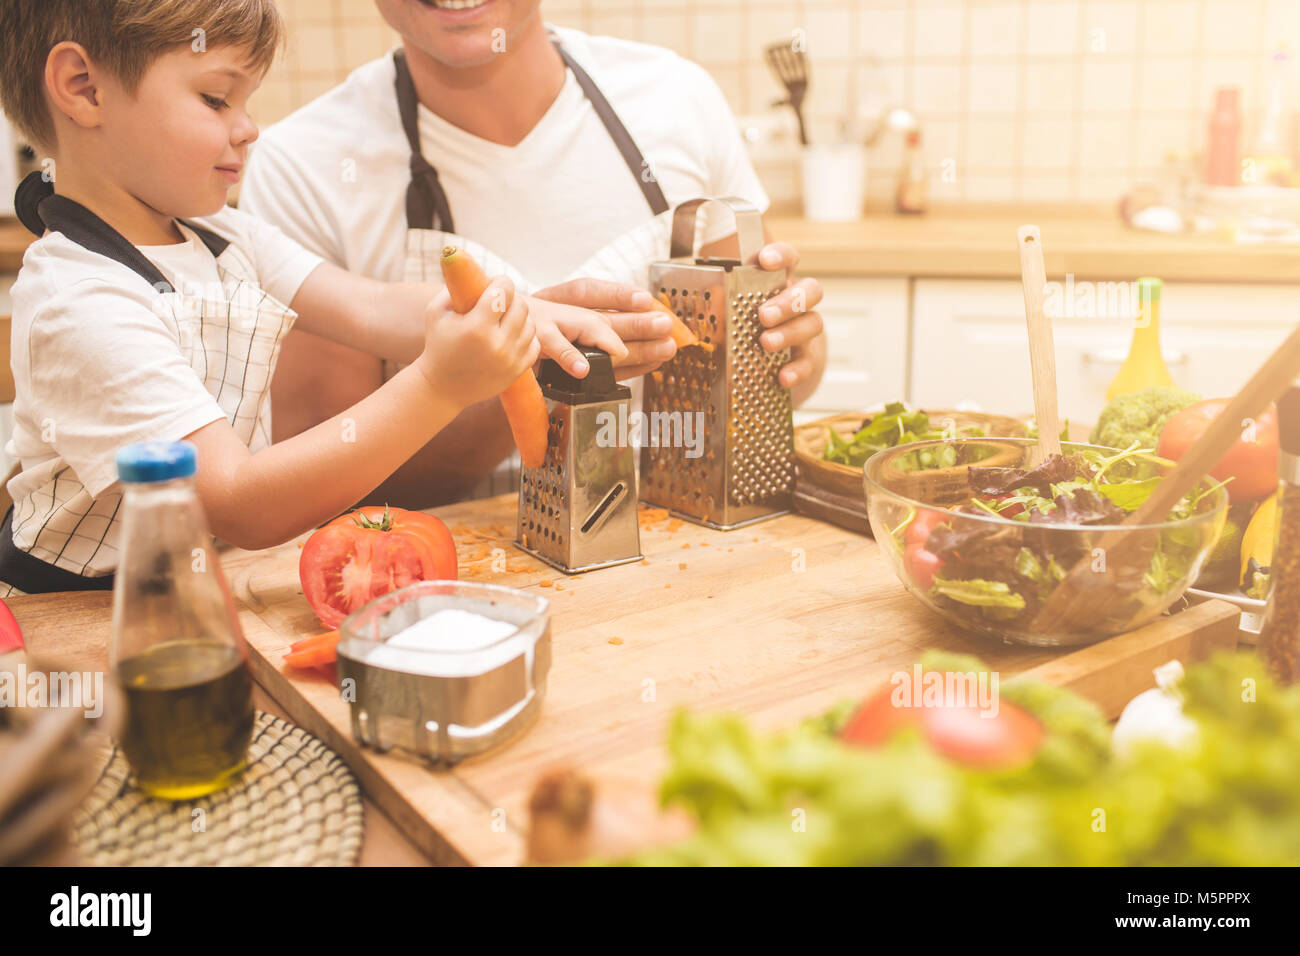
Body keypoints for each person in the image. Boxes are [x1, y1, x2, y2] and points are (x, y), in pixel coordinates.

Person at [0, 0, 622, 595]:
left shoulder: (218, 234)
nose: (247, 130)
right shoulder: (79, 301)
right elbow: (241, 503)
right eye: (215, 99)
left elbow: (371, 307)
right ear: (83, 87)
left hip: (190, 583)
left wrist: (517, 314)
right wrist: (441, 385)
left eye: (245, 103)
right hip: (72, 614)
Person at [241, 0, 828, 506]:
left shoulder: (676, 98)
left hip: (686, 541)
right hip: (459, 580)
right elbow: (331, 494)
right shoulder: (302, 167)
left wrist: (792, 359)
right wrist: (534, 384)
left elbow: (750, 394)